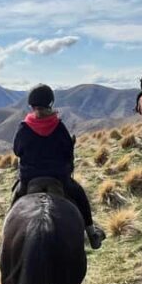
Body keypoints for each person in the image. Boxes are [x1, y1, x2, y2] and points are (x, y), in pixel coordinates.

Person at [12, 84, 106, 249]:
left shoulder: (24, 127)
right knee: (79, 194)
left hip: (29, 178)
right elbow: (67, 152)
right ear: (51, 103)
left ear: (31, 105)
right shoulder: (58, 126)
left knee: (14, 200)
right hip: (59, 178)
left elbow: (17, 150)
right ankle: (92, 234)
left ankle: (5, 243)